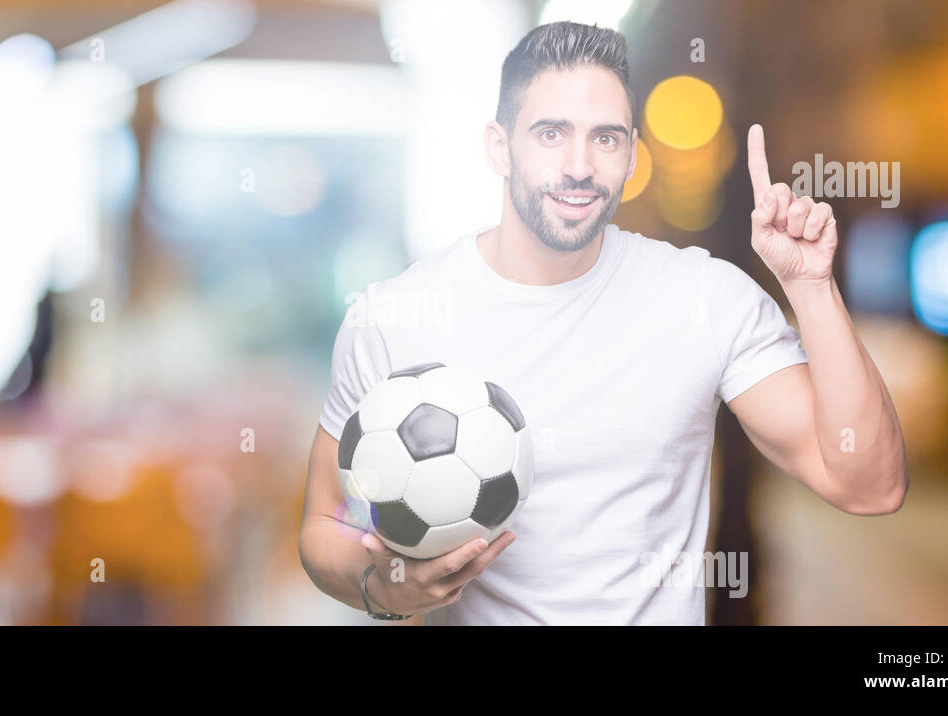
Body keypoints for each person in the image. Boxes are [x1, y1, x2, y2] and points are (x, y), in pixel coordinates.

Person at [298, 21, 907, 625]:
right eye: (551, 133)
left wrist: (812, 287)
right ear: (499, 146)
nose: (580, 165)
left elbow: (869, 485)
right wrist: (385, 588)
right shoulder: (392, 316)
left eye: (606, 138)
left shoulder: (704, 297)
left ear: (632, 154)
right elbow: (324, 528)